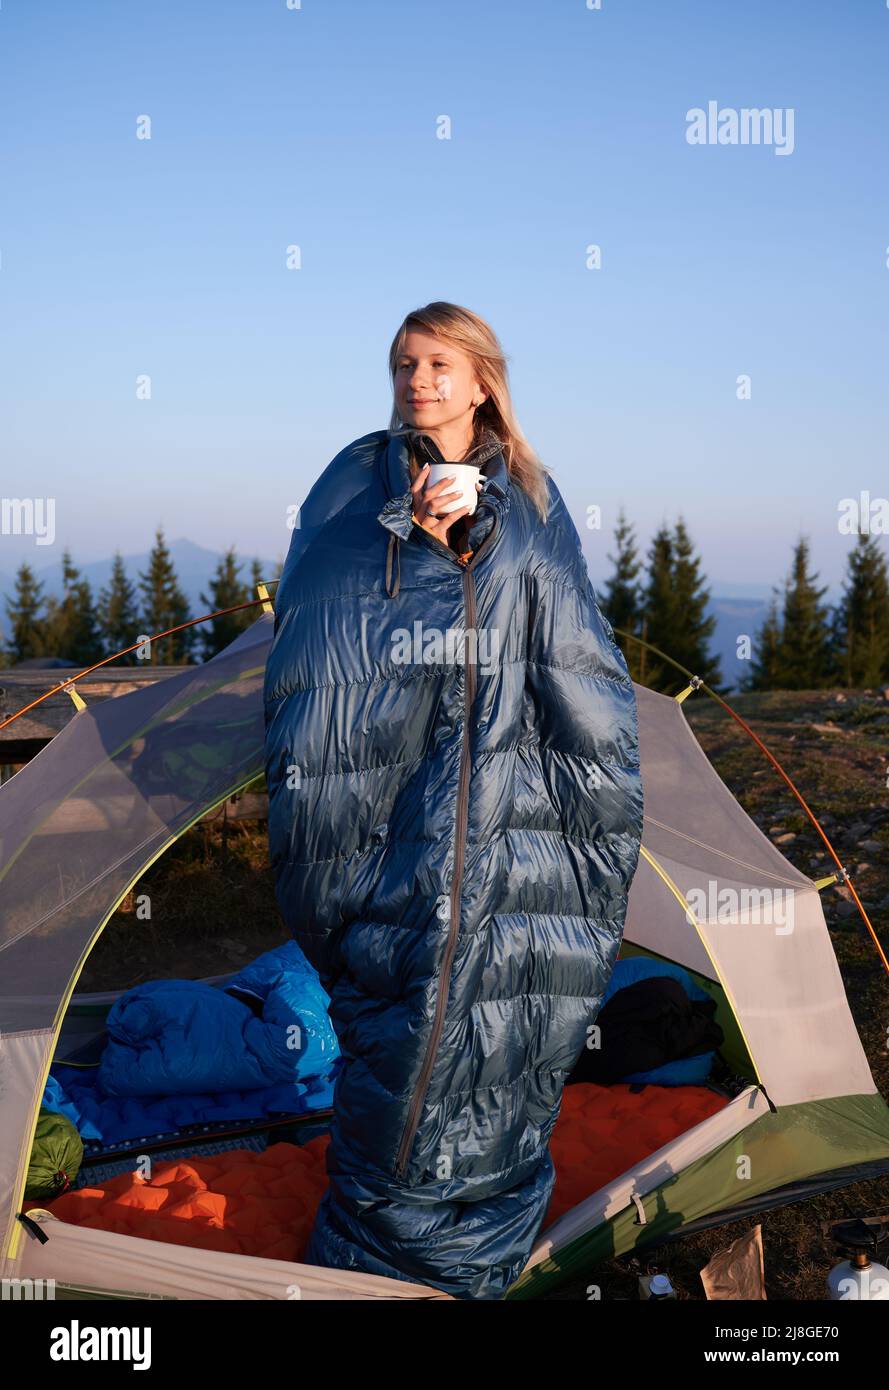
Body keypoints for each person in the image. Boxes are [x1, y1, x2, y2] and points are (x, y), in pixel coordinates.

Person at [263, 301, 644, 1299]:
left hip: (511, 814)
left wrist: (477, 545)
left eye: (438, 362)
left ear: (481, 378)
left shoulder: (528, 494)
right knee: (403, 1043)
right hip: (399, 821)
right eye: (403, 363)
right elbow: (319, 630)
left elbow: (569, 650)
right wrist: (412, 553)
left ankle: (469, 1242)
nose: (417, 379)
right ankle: (381, 1261)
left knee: (502, 1036)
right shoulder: (359, 487)